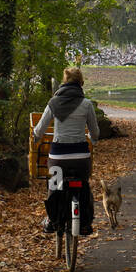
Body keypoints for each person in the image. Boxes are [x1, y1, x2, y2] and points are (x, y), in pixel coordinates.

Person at [33, 67, 100, 235]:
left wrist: (35, 136)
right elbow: (95, 133)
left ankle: (51, 219)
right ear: (81, 83)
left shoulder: (53, 103)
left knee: (54, 185)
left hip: (59, 157)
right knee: (84, 186)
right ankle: (84, 223)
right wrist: (93, 140)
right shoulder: (86, 104)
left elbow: (40, 129)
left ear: (64, 82)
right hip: (81, 158)